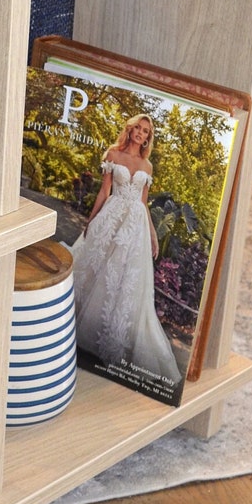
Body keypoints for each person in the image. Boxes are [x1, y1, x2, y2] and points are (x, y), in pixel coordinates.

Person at [72, 114, 180, 386]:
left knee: (123, 278)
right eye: (138, 128)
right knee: (98, 269)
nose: (141, 134)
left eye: (146, 132)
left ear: (147, 138)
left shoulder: (147, 165)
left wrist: (153, 236)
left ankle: (110, 337)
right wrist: (92, 220)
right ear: (131, 129)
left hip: (135, 226)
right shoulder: (113, 153)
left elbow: (143, 204)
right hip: (112, 218)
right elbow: (104, 191)